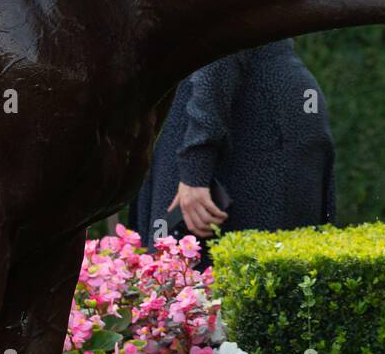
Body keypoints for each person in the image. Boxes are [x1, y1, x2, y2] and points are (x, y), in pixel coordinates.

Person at [131, 40, 336, 267]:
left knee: (222, 281)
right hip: (258, 110)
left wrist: (194, 170)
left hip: (249, 120)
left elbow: (225, 42)